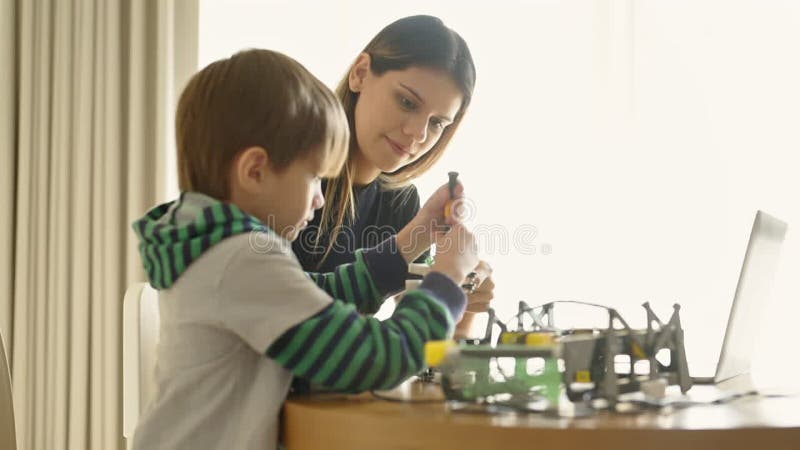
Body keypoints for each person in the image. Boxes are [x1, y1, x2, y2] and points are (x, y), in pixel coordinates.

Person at [130, 49, 478, 450]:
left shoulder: (217, 253)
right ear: (255, 171)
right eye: (314, 178)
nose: (318, 198)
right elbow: (380, 358)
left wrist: (413, 239)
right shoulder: (240, 259)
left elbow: (318, 298)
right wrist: (447, 280)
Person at [293, 15, 492, 336]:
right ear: (360, 74)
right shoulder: (290, 178)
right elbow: (287, 308)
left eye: (437, 123)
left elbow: (417, 339)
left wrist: (462, 295)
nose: (417, 133)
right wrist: (443, 284)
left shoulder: (401, 199)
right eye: (406, 102)